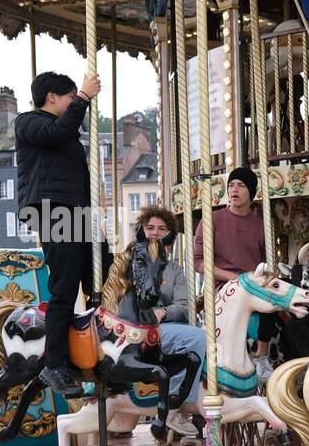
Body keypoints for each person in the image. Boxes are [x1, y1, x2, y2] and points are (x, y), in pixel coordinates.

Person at [15, 69, 101, 398]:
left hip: (77, 212)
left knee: (101, 275)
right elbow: (59, 130)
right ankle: (55, 362)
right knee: (64, 287)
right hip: (54, 211)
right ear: (52, 97)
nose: (71, 103)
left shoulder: (63, 133)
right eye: (67, 98)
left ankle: (92, 350)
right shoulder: (29, 122)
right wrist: (83, 96)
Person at [101, 207, 205, 427]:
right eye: (150, 228)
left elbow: (185, 305)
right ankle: (175, 405)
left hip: (164, 326)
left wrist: (163, 311)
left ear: (168, 235)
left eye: (162, 228)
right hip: (134, 329)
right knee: (198, 338)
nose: (155, 233)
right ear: (141, 231)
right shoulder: (130, 261)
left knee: (198, 338)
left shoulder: (174, 270)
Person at [193, 167, 277, 384]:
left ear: (251, 192)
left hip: (254, 286)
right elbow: (198, 262)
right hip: (224, 288)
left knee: (276, 297)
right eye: (231, 185)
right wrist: (235, 278)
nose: (234, 189)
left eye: (240, 185)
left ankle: (262, 356)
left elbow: (268, 263)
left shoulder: (260, 226)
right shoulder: (212, 220)